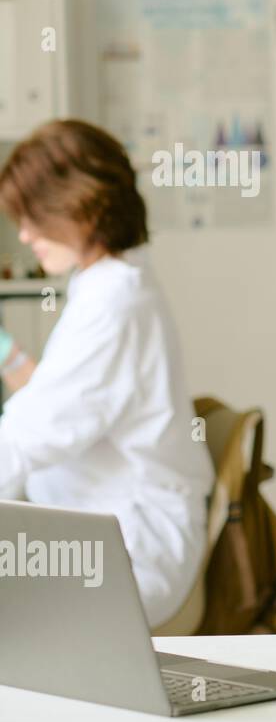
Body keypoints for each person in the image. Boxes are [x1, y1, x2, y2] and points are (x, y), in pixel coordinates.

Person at [0, 119, 215, 628]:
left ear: (83, 204)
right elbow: (61, 399)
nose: (25, 234)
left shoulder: (115, 305)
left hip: (133, 547)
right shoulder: (110, 280)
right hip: (97, 520)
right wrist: (7, 354)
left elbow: (26, 440)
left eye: (34, 218)